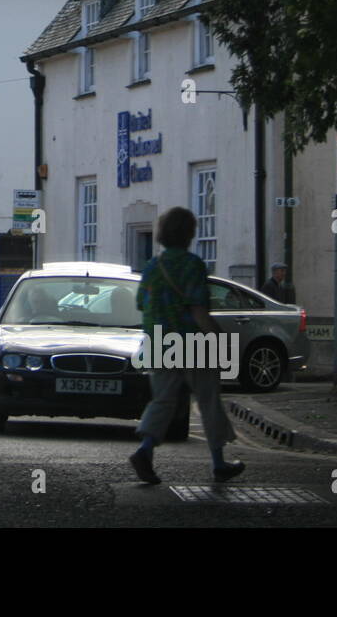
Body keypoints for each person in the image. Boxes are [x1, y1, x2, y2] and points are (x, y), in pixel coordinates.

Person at [129, 206, 244, 485]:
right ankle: (218, 463)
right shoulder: (192, 264)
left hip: (158, 342)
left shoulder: (152, 267)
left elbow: (140, 303)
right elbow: (198, 311)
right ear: (190, 233)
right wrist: (220, 340)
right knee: (208, 401)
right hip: (192, 343)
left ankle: (145, 450)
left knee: (163, 400)